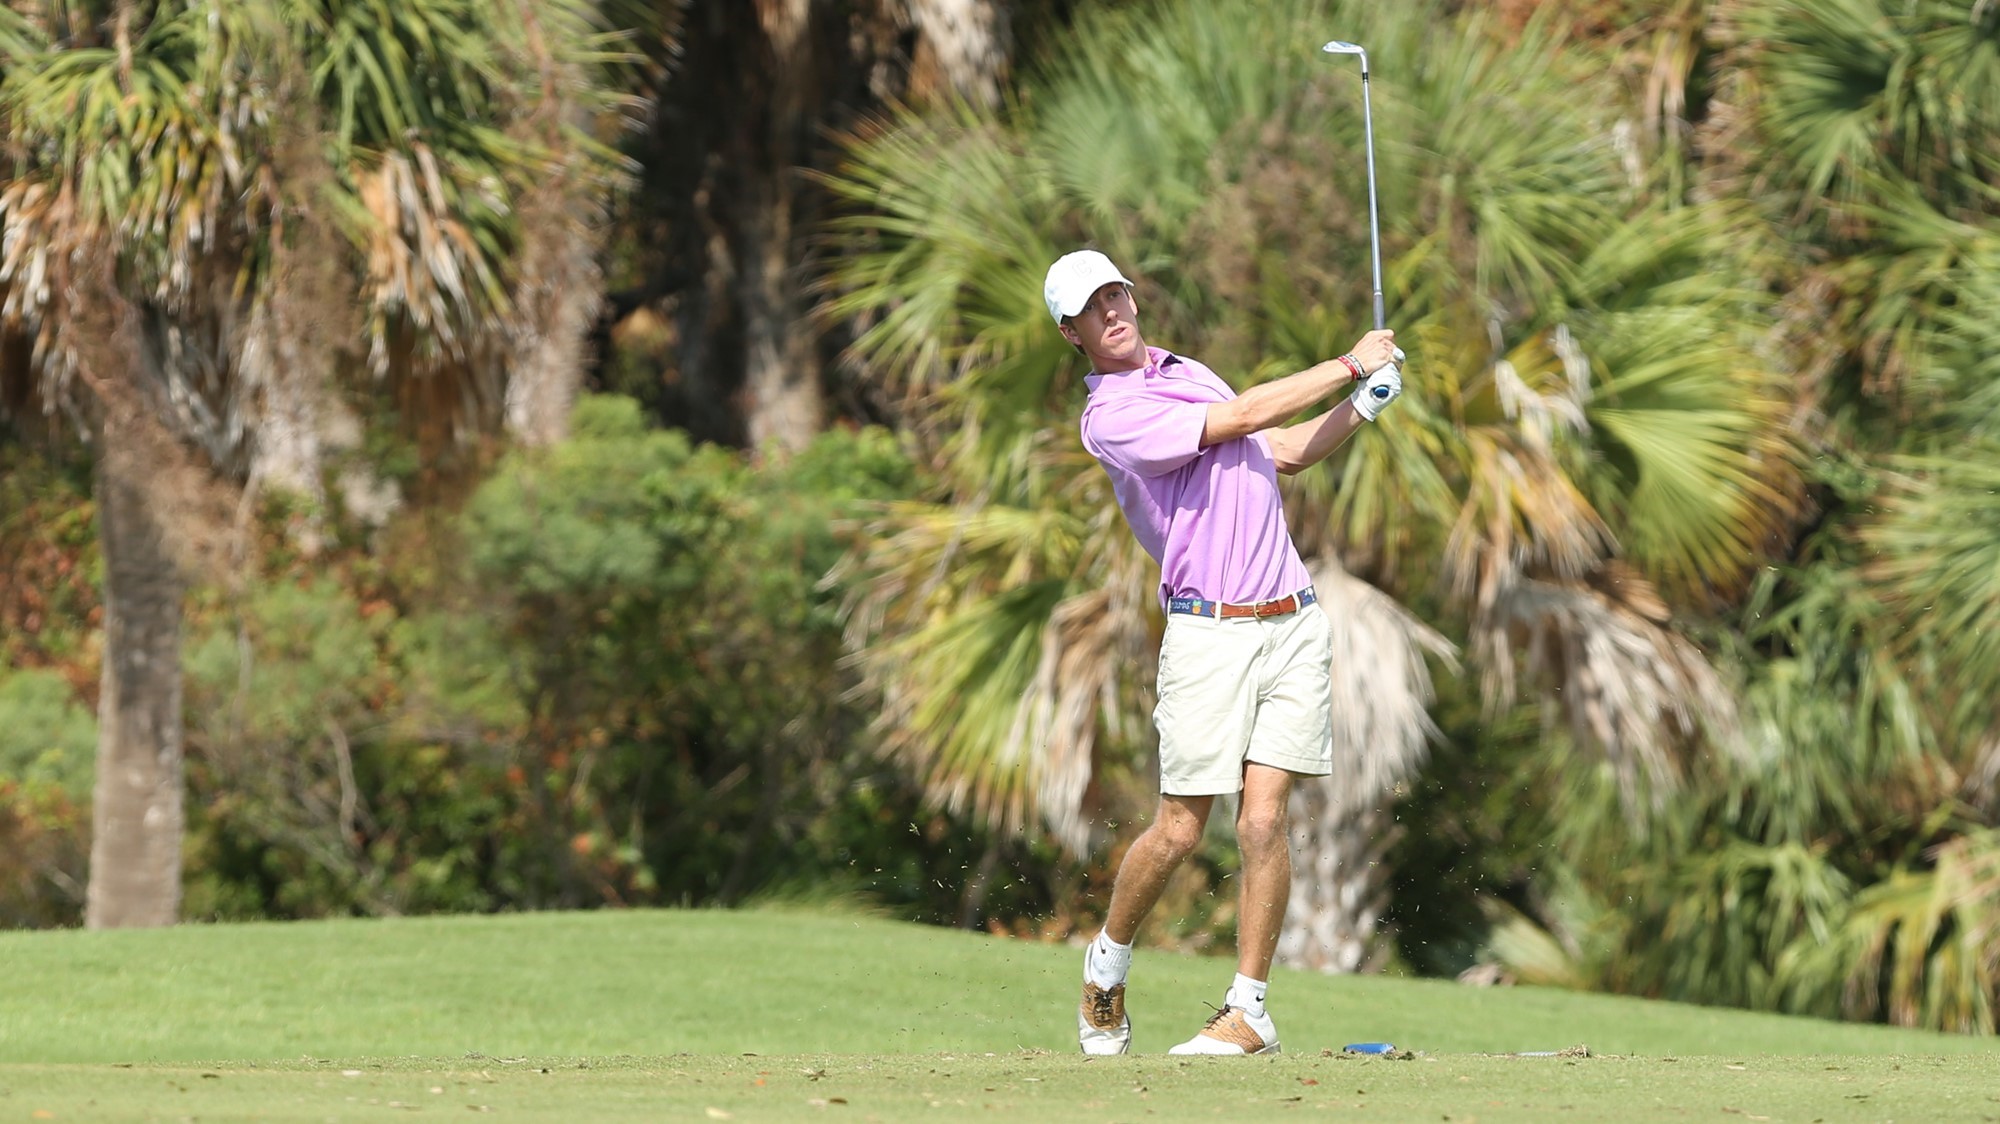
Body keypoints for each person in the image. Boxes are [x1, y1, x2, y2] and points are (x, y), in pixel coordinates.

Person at [1045, 249, 1402, 1056]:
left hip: (1292, 620)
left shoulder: (1188, 371)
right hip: (1209, 631)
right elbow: (1239, 420)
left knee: (1265, 820)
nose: (1109, 312)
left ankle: (1249, 1011)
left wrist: (1364, 402)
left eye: (1114, 294)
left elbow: (1282, 450)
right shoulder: (1110, 417)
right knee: (1179, 829)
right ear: (1072, 334)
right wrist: (1349, 362)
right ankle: (1107, 965)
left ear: (1131, 296)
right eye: (1089, 309)